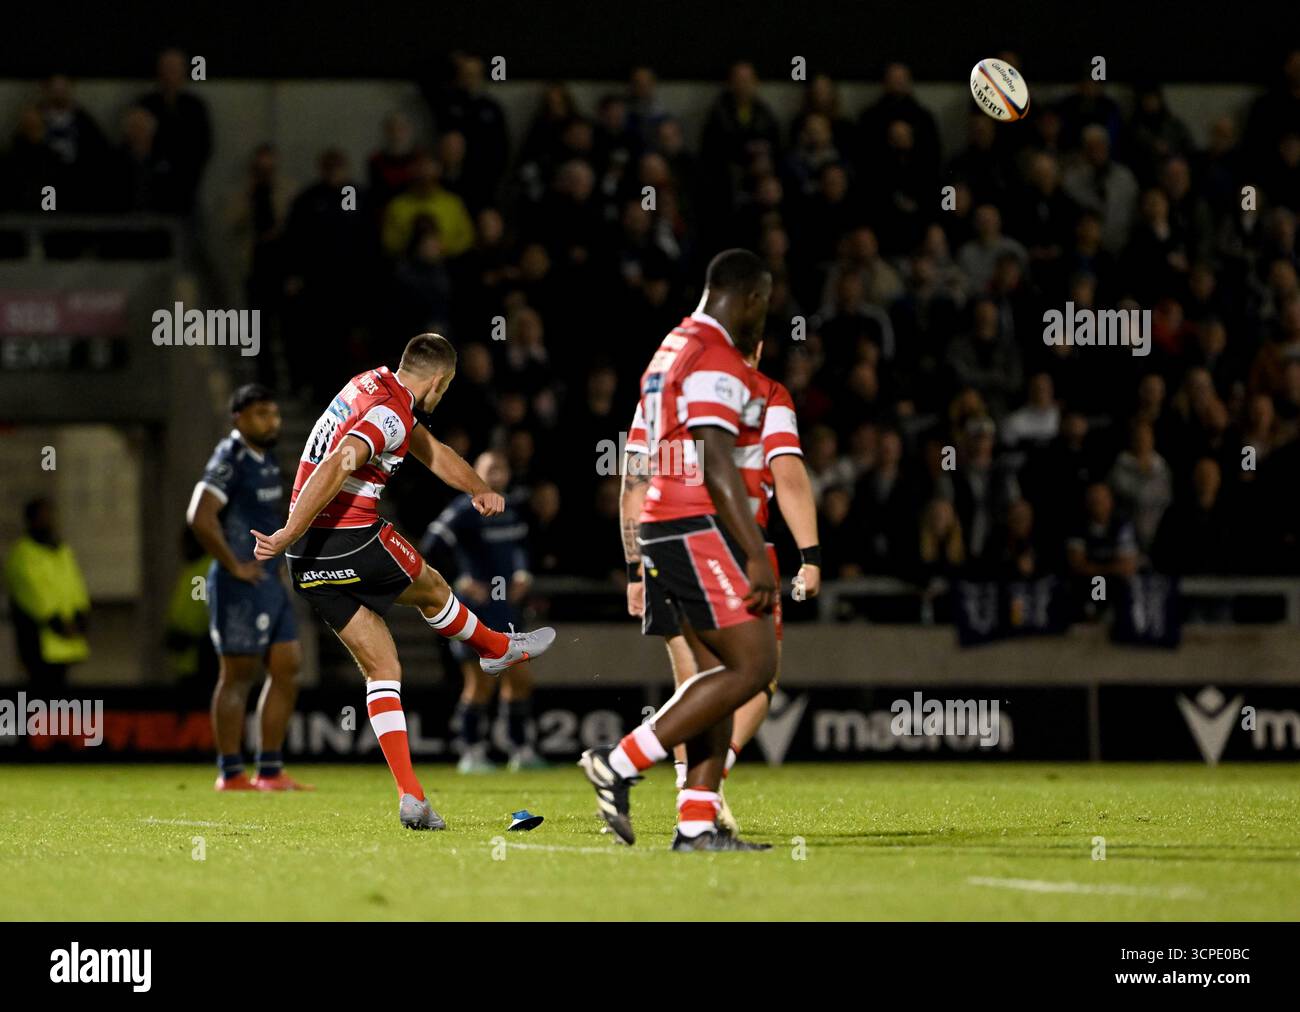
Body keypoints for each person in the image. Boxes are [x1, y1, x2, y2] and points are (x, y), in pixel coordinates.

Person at [251, 334, 555, 831]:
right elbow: (341, 461)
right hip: (344, 537)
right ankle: (495, 647)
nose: (445, 394)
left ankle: (412, 798)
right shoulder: (389, 412)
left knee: (384, 668)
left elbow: (432, 453)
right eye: (448, 386)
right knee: (432, 584)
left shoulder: (371, 386)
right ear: (439, 380)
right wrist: (290, 529)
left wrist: (479, 488)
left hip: (308, 562)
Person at [578, 249, 778, 852]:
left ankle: (695, 824)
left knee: (715, 673)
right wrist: (755, 550)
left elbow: (639, 464)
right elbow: (716, 458)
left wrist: (637, 558)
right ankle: (618, 762)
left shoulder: (672, 347)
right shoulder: (716, 356)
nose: (763, 317)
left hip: (665, 522)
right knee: (755, 665)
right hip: (693, 521)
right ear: (744, 297)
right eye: (762, 303)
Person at [620, 337, 820, 833]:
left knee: (696, 672)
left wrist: (633, 568)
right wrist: (809, 555)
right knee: (753, 672)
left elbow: (634, 480)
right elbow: (788, 473)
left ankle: (694, 804)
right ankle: (632, 768)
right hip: (725, 543)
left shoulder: (661, 394)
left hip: (661, 539)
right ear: (754, 343)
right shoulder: (767, 394)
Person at [187, 384, 308, 791]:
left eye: (274, 413)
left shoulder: (268, 458)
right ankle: (231, 772)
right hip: (240, 587)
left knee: (288, 666)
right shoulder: (230, 457)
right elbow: (200, 516)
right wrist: (233, 566)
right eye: (261, 414)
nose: (272, 421)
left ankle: (270, 770)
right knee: (237, 676)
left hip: (270, 583)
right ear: (238, 417)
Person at [420, 451, 544, 773]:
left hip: (507, 610)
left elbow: (521, 550)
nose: (498, 474)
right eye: (490, 468)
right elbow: (431, 546)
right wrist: (458, 582)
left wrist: (523, 575)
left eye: (502, 467)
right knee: (480, 683)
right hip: (475, 611)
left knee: (520, 680)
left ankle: (520, 750)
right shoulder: (463, 510)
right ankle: (472, 752)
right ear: (475, 473)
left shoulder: (511, 510)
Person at [4, 498, 90, 690]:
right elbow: (31, 593)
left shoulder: (61, 550)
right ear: (31, 520)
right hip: (39, 640)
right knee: (41, 690)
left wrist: (81, 614)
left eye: (50, 515)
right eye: (43, 515)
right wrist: (55, 620)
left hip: (64, 640)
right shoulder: (23, 555)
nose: (49, 520)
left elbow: (75, 583)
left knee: (58, 690)